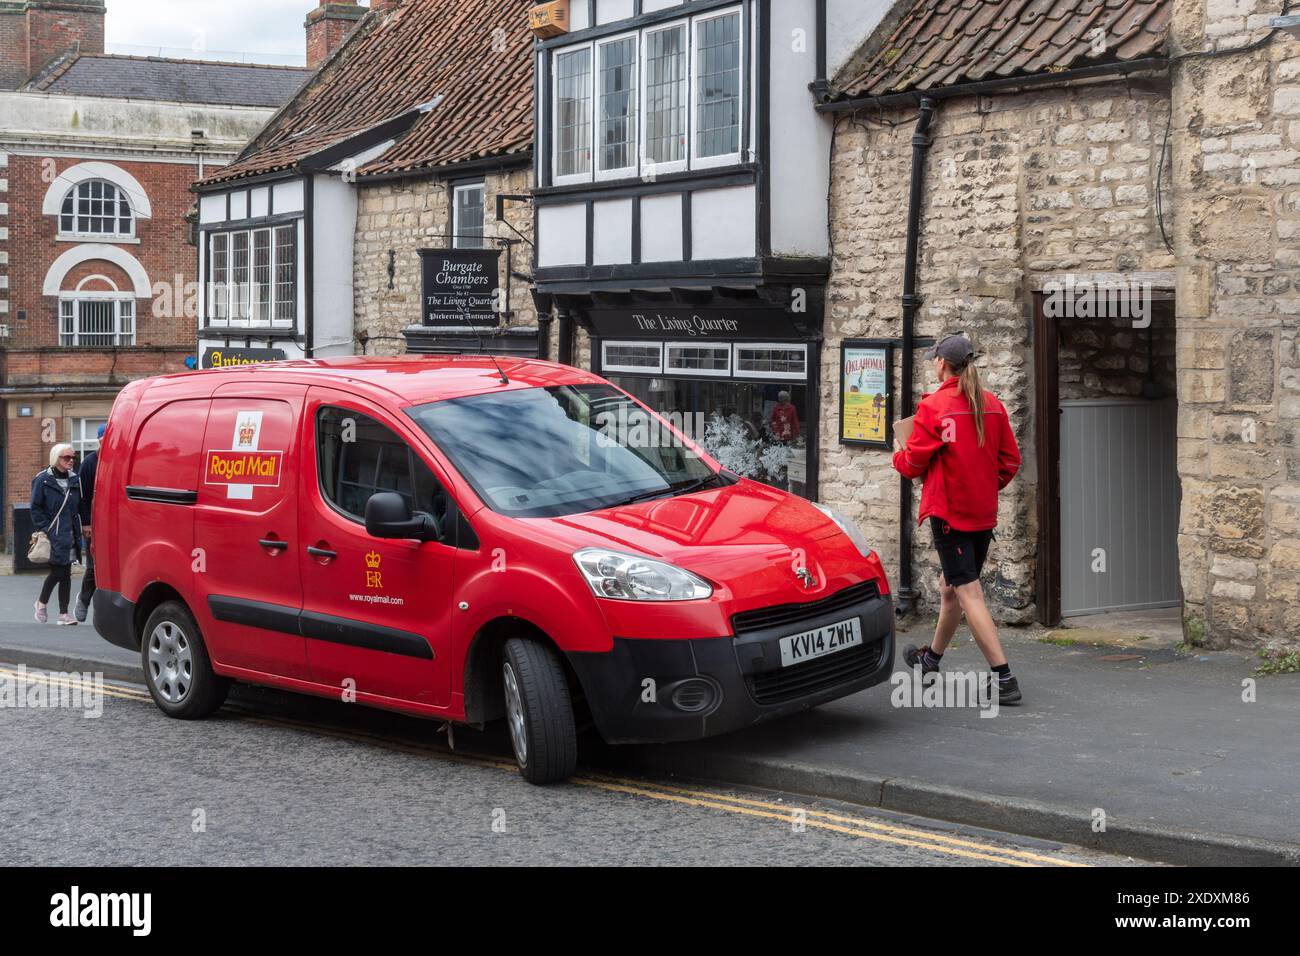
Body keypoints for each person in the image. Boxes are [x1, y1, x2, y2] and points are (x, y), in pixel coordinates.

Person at [892, 334, 1023, 704]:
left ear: (941, 363)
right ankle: (929, 660)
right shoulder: (992, 405)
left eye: (934, 359)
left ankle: (1004, 678)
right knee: (952, 587)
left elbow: (914, 463)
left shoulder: (933, 408)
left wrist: (897, 455)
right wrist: (984, 486)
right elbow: (1010, 462)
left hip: (949, 514)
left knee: (969, 592)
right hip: (982, 514)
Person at [32, 443, 84, 626]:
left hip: (70, 534)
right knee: (57, 572)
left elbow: (80, 506)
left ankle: (63, 614)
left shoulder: (74, 479)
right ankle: (41, 603)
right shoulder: (43, 479)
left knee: (66, 573)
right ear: (56, 459)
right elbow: (36, 508)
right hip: (54, 534)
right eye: (66, 458)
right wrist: (46, 529)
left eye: (73, 457)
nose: (71, 461)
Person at [74, 424, 105, 622]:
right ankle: (84, 600)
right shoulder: (89, 463)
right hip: (94, 524)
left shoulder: (119, 460)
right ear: (100, 440)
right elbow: (83, 497)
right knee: (94, 567)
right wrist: (86, 523)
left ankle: (107, 610)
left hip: (115, 524)